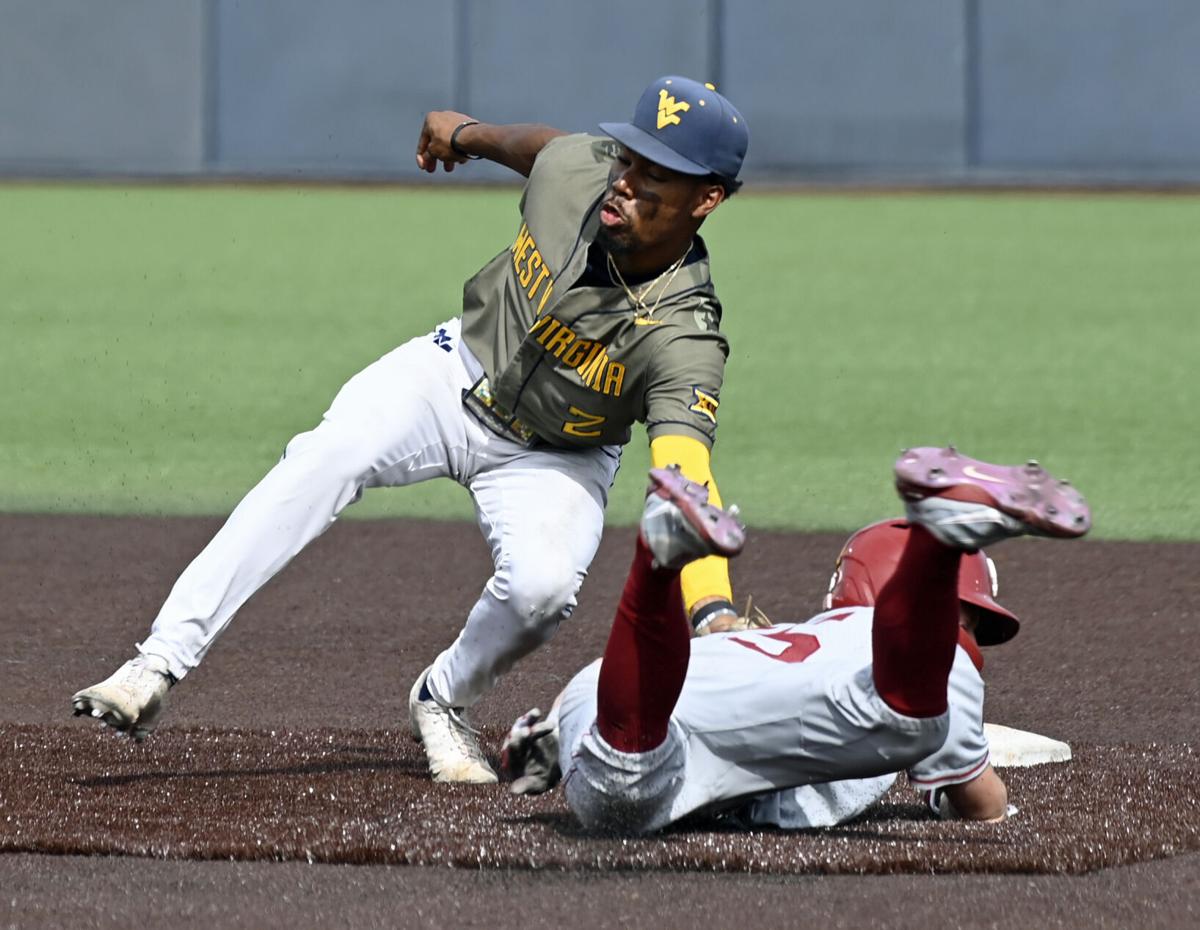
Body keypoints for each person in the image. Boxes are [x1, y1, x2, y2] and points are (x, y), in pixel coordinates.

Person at [71, 76, 752, 784]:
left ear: (705, 200)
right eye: (629, 159)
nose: (626, 182)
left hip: (558, 458)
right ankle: (156, 662)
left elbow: (685, 476)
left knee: (543, 590)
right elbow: (535, 146)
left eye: (656, 177)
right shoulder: (581, 168)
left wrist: (711, 610)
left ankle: (443, 700)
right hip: (452, 374)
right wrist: (462, 136)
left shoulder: (683, 334)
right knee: (327, 455)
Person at [498, 447, 1091, 832]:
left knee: (627, 749)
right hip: (659, 738)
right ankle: (939, 542)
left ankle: (658, 567)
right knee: (914, 720)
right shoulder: (937, 671)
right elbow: (981, 806)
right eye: (966, 619)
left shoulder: (798, 635)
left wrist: (556, 734)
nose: (968, 637)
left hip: (611, 685)